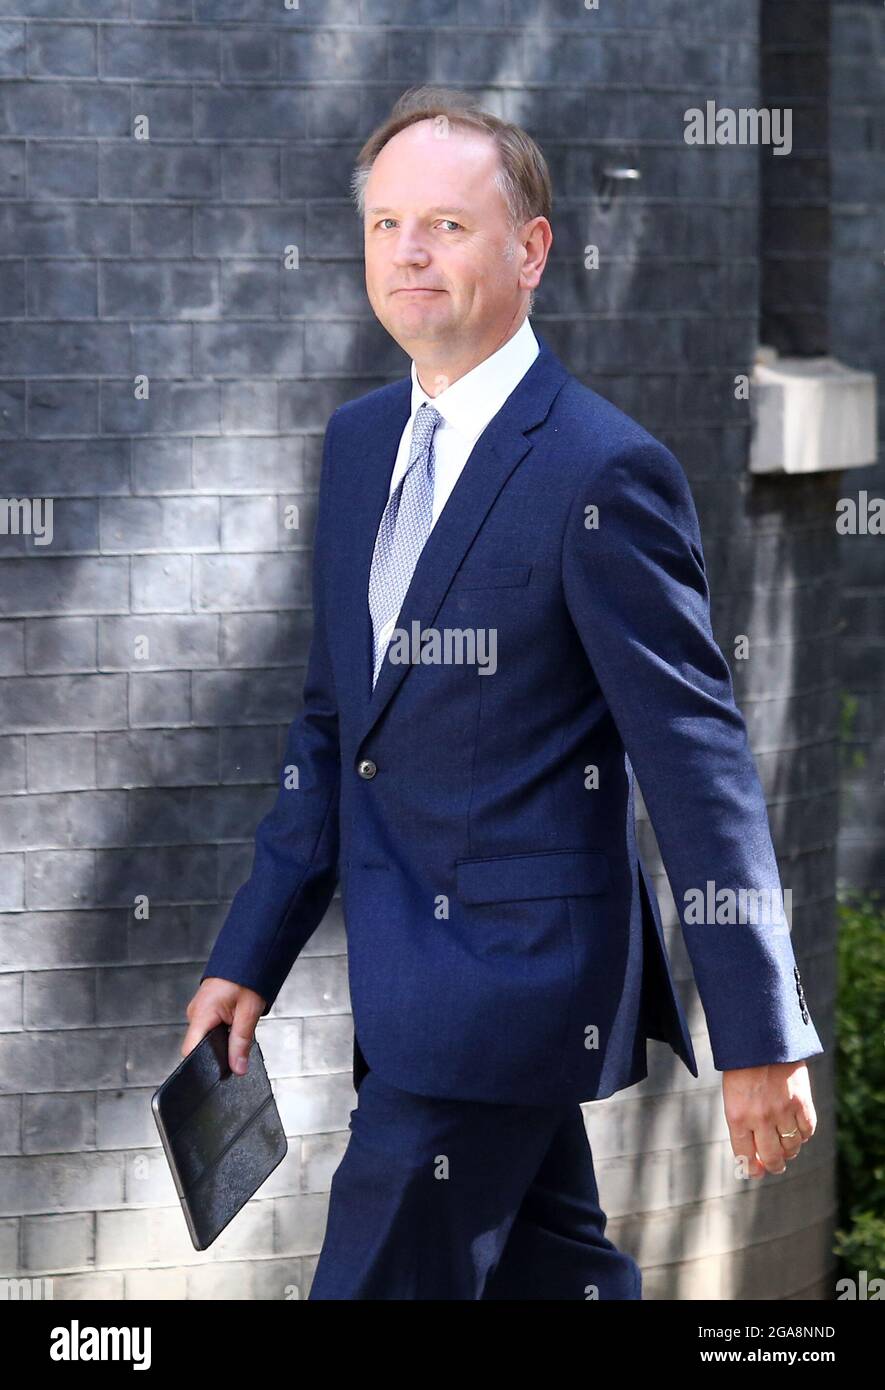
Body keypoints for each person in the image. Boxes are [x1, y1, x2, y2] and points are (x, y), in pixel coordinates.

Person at [182, 86, 823, 1300]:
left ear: (531, 251)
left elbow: (698, 762)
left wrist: (759, 1028)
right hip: (409, 989)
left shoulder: (603, 469)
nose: (407, 254)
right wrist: (250, 952)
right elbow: (335, 727)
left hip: (509, 990)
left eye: (446, 226)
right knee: (557, 1276)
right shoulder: (361, 442)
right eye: (384, 226)